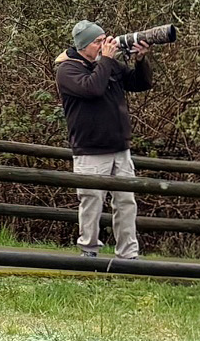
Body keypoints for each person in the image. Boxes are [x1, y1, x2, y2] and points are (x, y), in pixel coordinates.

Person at [58, 20, 156, 259]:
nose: (104, 45)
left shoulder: (108, 64)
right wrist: (107, 60)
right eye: (97, 42)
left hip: (119, 147)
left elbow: (140, 83)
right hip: (90, 149)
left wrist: (141, 60)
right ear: (83, 46)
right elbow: (93, 89)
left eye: (104, 40)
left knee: (126, 203)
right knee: (91, 202)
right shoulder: (67, 70)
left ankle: (128, 253)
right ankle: (89, 250)